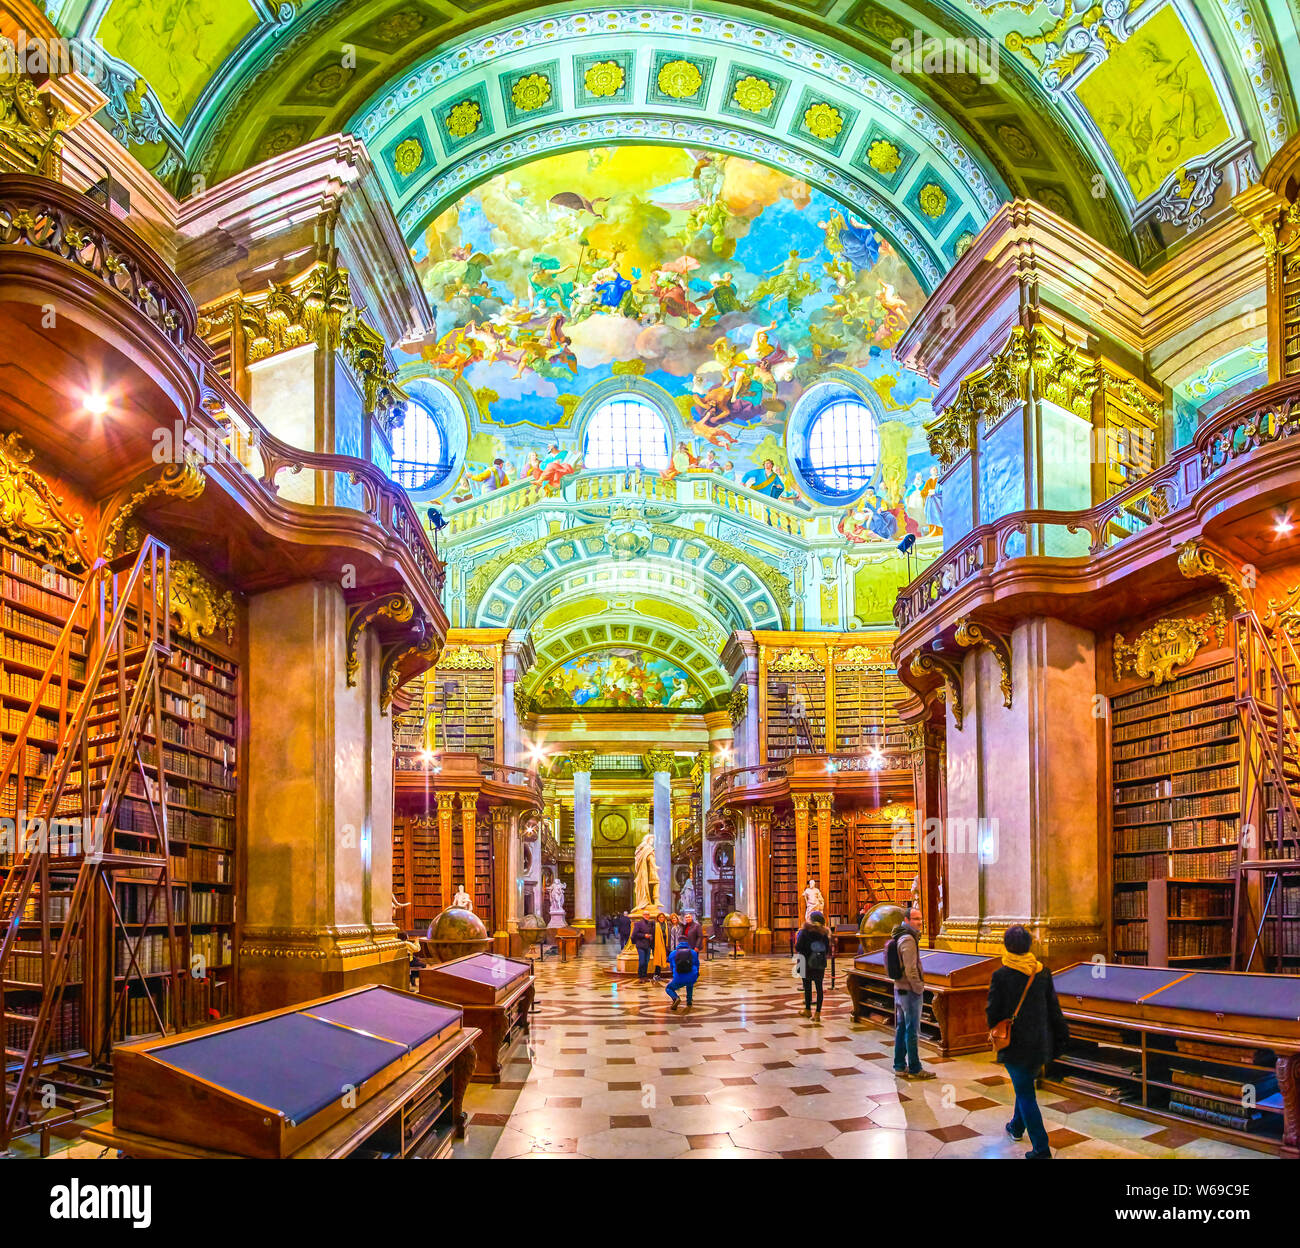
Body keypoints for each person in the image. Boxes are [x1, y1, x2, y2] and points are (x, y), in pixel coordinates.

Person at [986, 924, 1069, 1159]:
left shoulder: (1001, 975)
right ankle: (1016, 1126)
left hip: (1014, 1044)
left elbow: (992, 1011)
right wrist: (1062, 1037)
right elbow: (1054, 1008)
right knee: (1024, 1086)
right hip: (1040, 1042)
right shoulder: (1042, 972)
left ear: (1007, 946)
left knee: (1025, 1094)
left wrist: (994, 1029)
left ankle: (1041, 1149)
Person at [888, 905, 935, 1081]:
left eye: (920, 918)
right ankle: (915, 1067)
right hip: (909, 990)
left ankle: (899, 1065)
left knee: (902, 1028)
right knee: (912, 1030)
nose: (919, 922)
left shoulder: (900, 935)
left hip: (900, 989)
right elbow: (911, 968)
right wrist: (919, 987)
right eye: (915, 919)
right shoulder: (908, 939)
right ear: (906, 920)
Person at [795, 910, 831, 1021]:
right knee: (819, 988)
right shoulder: (824, 933)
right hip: (819, 963)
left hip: (805, 962)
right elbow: (827, 950)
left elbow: (798, 947)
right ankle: (818, 1014)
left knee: (807, 987)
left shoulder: (804, 931)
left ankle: (807, 1010)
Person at [664, 935, 700, 1011]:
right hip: (692, 976)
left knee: (668, 988)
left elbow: (671, 967)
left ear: (678, 943)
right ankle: (689, 1001)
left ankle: (675, 998)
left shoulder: (673, 953)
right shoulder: (693, 952)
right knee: (689, 984)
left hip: (679, 977)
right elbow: (697, 965)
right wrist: (696, 974)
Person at [631, 910, 655, 981]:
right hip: (641, 945)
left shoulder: (650, 924)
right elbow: (635, 934)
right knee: (642, 961)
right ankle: (640, 976)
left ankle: (644, 976)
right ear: (643, 915)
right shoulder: (638, 924)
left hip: (648, 945)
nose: (647, 916)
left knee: (646, 961)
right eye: (645, 914)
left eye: (648, 914)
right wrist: (644, 935)